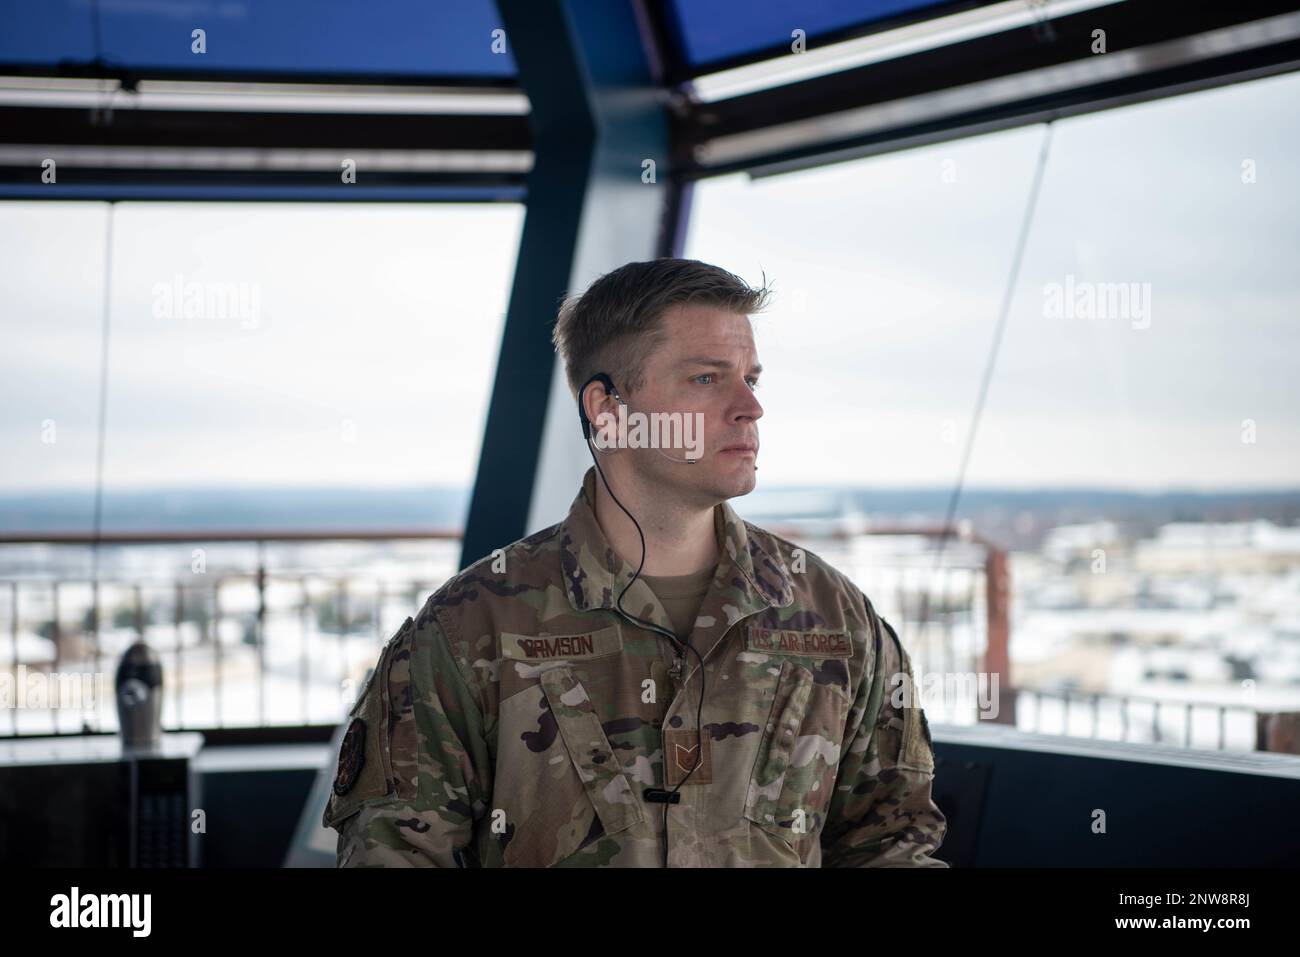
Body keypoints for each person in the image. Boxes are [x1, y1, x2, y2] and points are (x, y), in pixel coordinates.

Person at [324, 258, 948, 867]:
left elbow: (892, 843)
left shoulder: (834, 617)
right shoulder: (468, 628)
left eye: (750, 379)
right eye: (706, 379)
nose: (750, 408)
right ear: (608, 408)